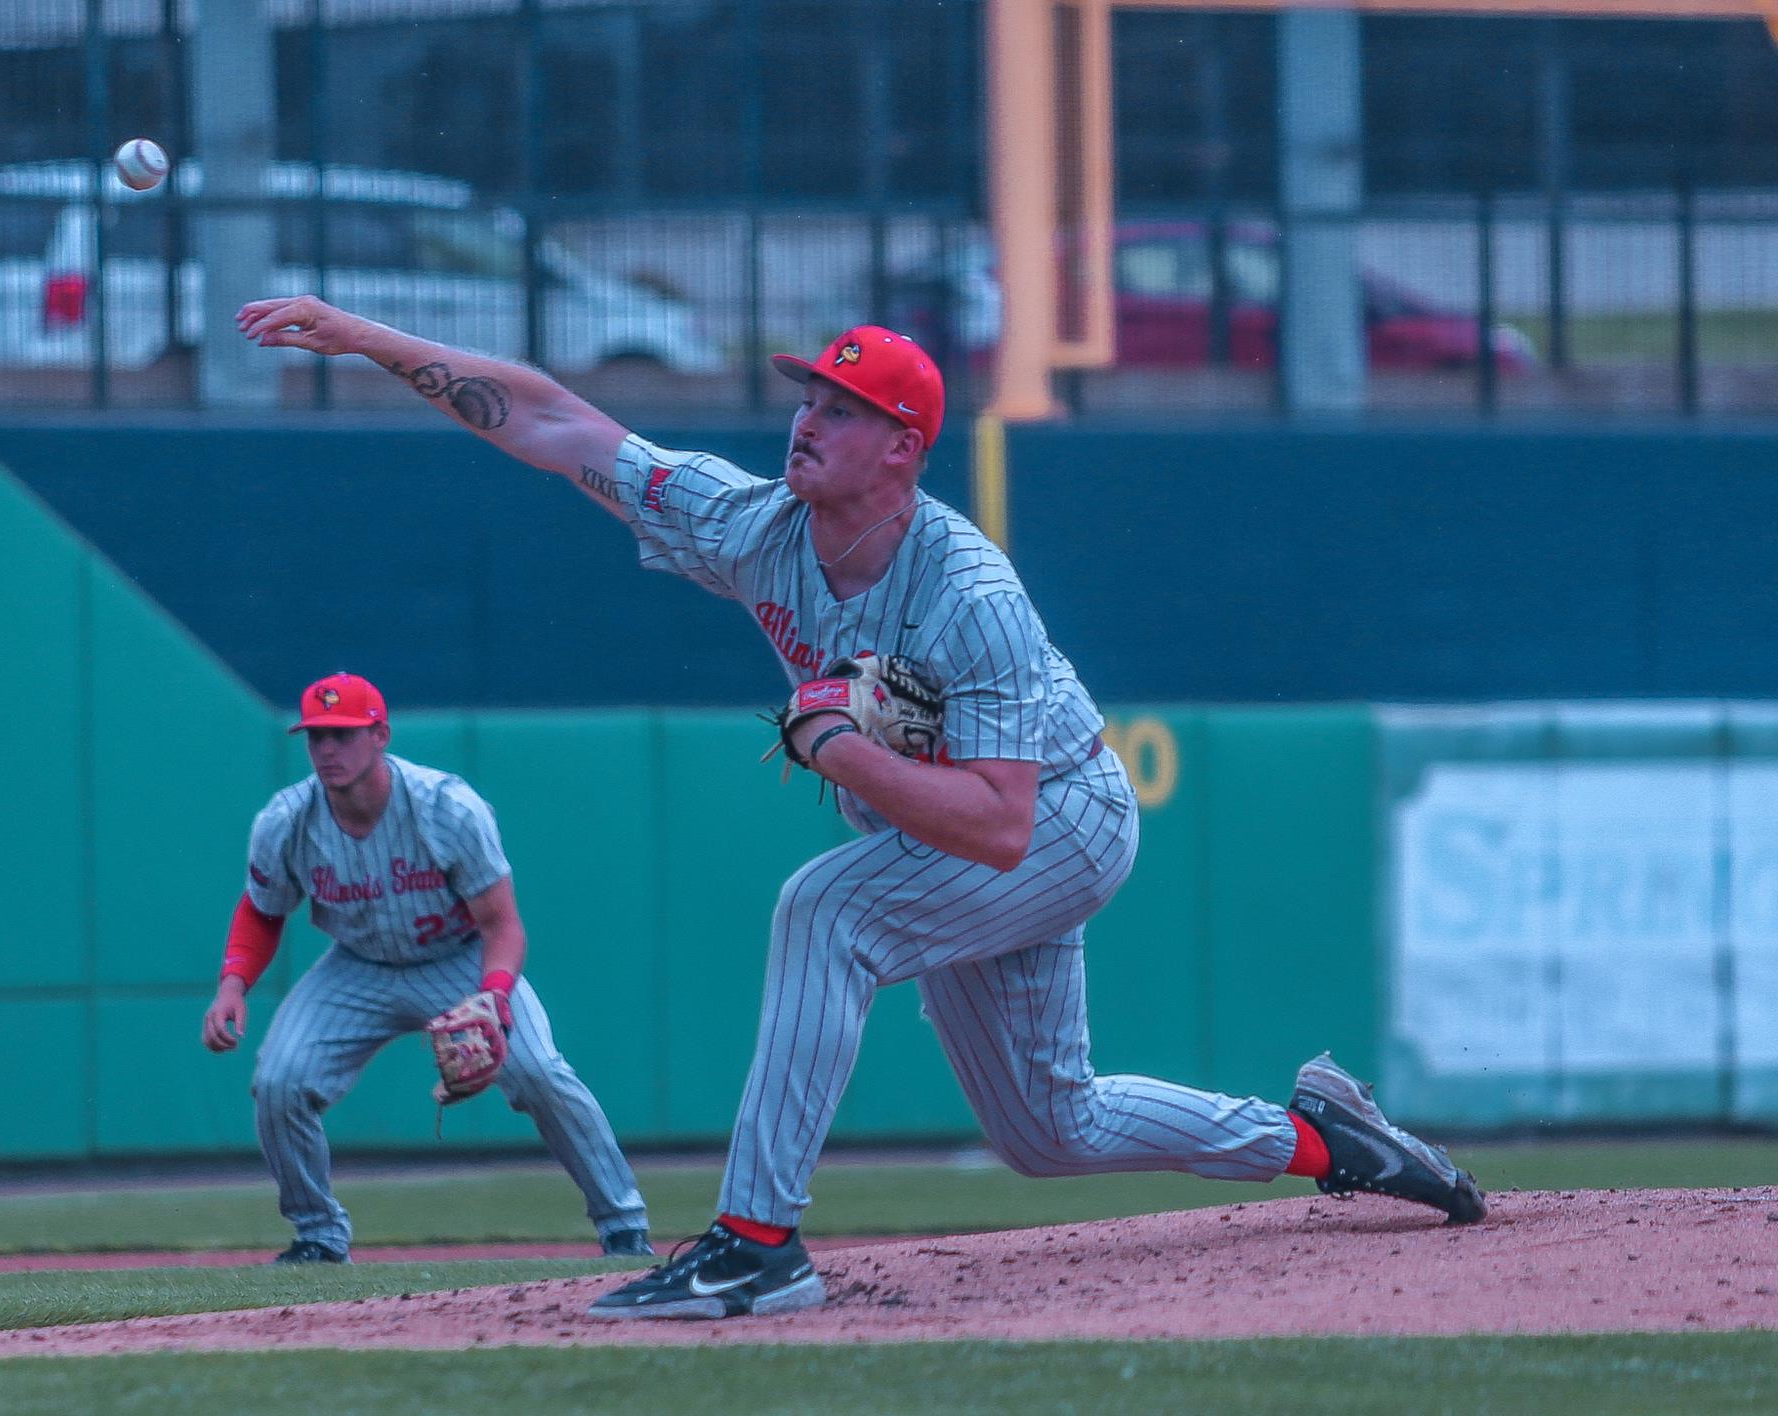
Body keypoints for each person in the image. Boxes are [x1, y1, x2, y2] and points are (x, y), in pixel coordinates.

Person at [233, 298, 1487, 1316]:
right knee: (1048, 1129)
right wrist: (368, 338)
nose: (807, 421)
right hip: (951, 830)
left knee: (824, 909)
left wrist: (835, 748)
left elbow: (999, 825)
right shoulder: (755, 526)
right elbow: (561, 424)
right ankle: (1326, 1141)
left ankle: (755, 1243)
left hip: (1062, 817)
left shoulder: (966, 593)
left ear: (902, 448)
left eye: (842, 409)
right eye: (807, 398)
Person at [201, 670, 653, 1263]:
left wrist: (494, 995)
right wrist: (233, 985)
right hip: (357, 968)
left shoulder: (446, 807)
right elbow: (262, 912)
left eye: (343, 734)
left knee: (539, 1072)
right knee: (279, 1081)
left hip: (459, 958)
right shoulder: (286, 821)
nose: (328, 749)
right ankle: (317, 1236)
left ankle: (623, 1225)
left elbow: (502, 925)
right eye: (317, 736)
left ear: (380, 735)